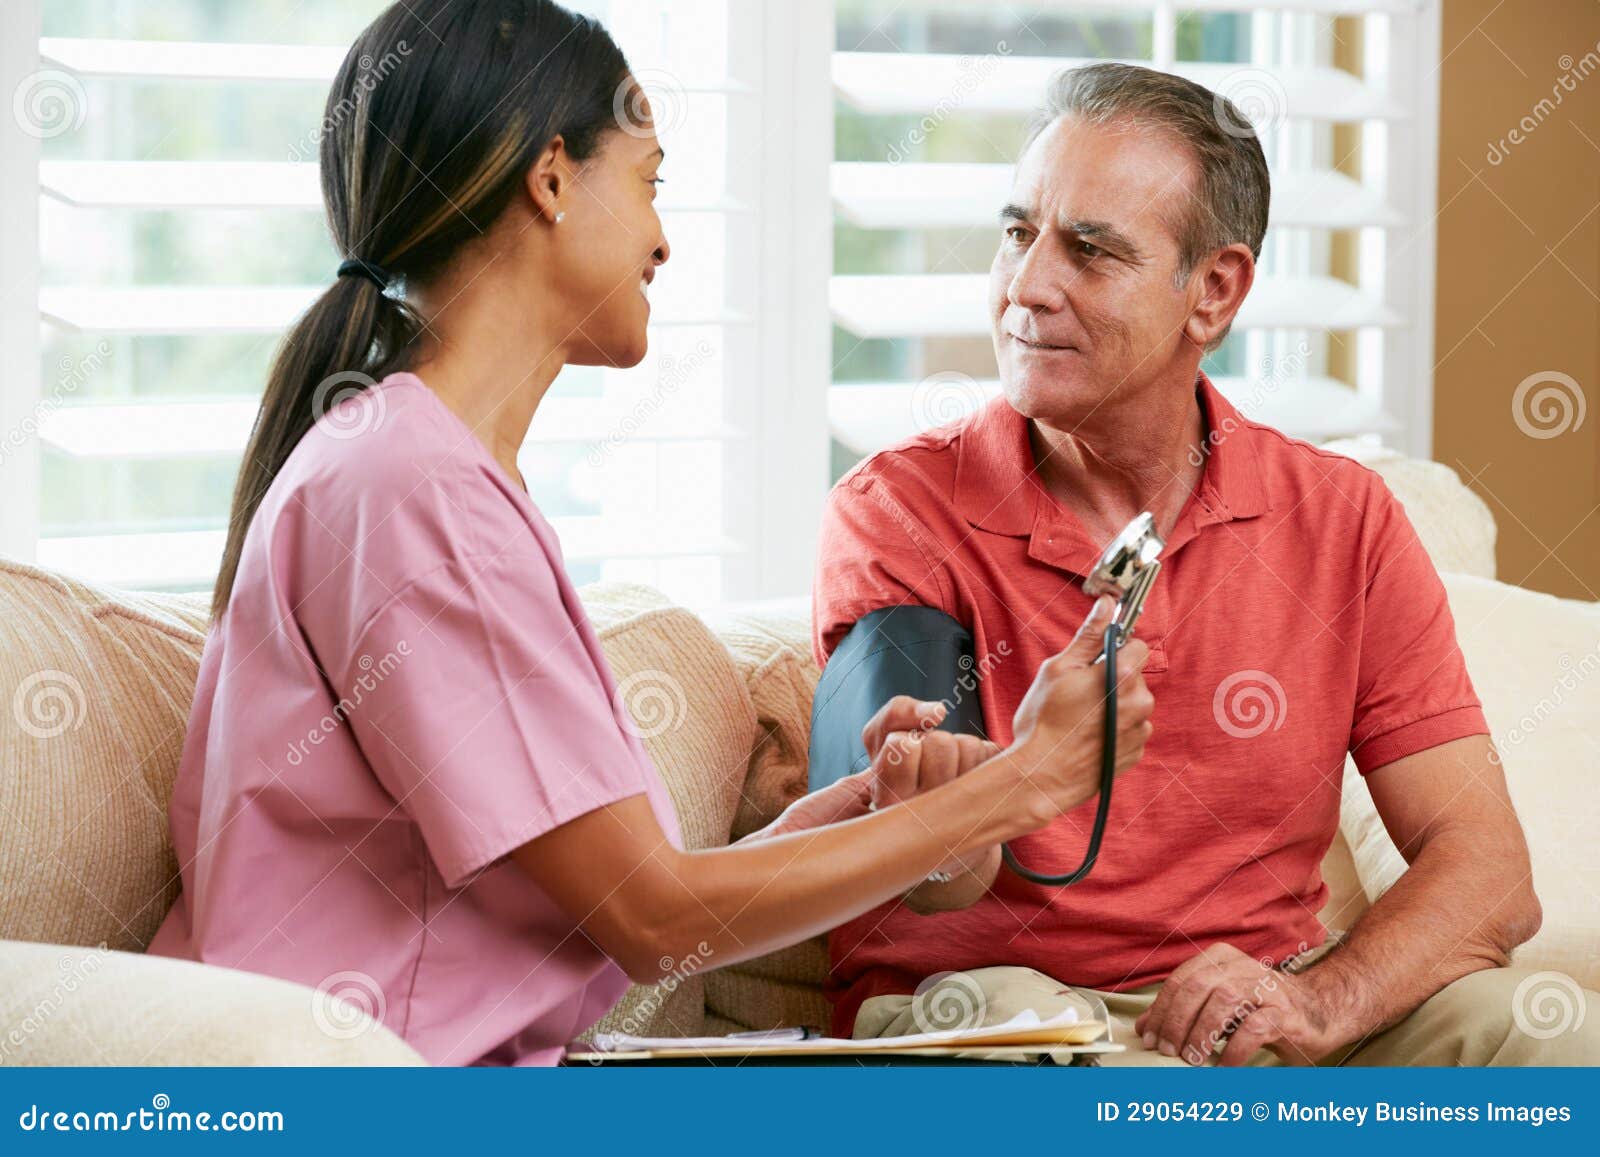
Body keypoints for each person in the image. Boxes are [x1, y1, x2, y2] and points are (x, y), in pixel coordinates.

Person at [145, 1, 1154, 1067]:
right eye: (648, 182)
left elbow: (622, 902)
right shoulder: (408, 487)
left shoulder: (430, 472)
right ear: (550, 179)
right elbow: (654, 918)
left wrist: (862, 816)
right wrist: (1027, 780)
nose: (662, 241)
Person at [811, 62, 1600, 1066]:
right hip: (1009, 1013)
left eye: (1089, 250)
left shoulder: (1343, 519)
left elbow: (1488, 872)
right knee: (1020, 1035)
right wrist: (957, 799)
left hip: (1256, 1017)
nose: (1026, 286)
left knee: (1546, 1031)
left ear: (1214, 291)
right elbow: (927, 873)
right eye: (1018, 233)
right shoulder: (898, 511)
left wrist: (1318, 1000)